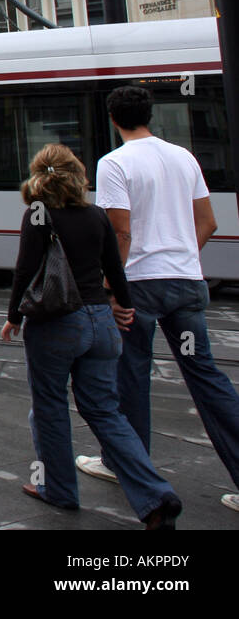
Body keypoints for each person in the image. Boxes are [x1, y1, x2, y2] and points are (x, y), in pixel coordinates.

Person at [1, 143, 183, 528]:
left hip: (57, 322)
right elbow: (115, 267)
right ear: (78, 175)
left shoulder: (38, 213)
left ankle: (59, 489)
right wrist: (124, 306)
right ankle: (155, 496)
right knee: (105, 410)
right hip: (101, 320)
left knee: (50, 407)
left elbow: (25, 269)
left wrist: (13, 316)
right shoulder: (97, 215)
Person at [77, 84, 239, 513]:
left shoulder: (114, 163)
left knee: (131, 374)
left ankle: (123, 462)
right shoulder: (184, 157)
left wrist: (113, 289)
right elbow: (207, 222)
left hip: (140, 289)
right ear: (150, 114)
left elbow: (121, 233)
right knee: (205, 376)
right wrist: (182, 257)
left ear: (113, 120)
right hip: (186, 286)